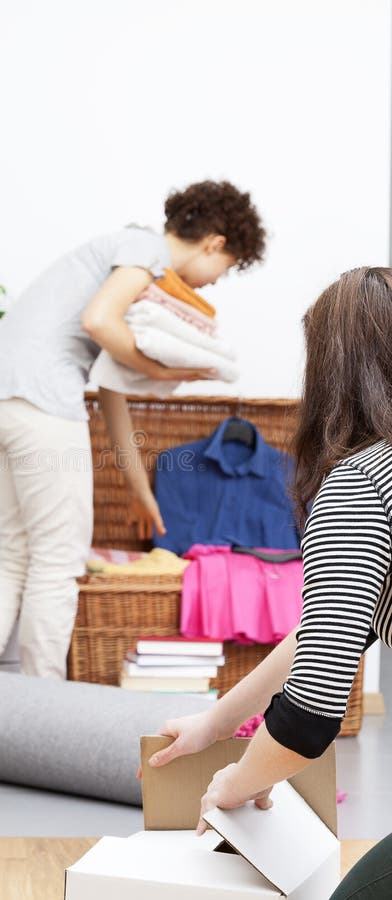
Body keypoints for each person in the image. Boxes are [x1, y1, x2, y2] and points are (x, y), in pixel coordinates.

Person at [145, 266, 392, 899]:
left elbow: (311, 711)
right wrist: (220, 722)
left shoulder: (362, 480)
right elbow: (329, 629)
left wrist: (237, 782)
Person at [0, 180, 266, 680]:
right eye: (222, 270)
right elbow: (99, 322)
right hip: (38, 399)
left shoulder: (119, 266)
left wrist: (140, 491)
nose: (210, 283)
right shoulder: (143, 248)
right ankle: (43, 704)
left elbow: (110, 393)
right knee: (58, 561)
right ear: (215, 242)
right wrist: (166, 373)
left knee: (16, 554)